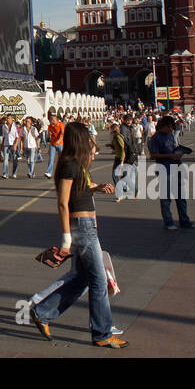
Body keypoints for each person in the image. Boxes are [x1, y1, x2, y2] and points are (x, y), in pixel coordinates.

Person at [29, 122, 127, 348]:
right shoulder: (69, 165)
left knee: (84, 278)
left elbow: (78, 191)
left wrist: (96, 187)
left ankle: (42, 312)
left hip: (87, 224)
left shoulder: (77, 165)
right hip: (81, 226)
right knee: (99, 281)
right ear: (78, 140)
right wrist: (66, 238)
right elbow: (63, 202)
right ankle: (102, 333)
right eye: (87, 137)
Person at [148, 115, 191, 230]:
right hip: (164, 169)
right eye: (171, 127)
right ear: (165, 126)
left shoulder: (170, 135)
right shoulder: (156, 138)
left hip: (175, 167)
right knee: (166, 198)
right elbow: (153, 155)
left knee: (181, 197)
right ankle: (168, 222)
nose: (172, 129)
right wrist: (169, 155)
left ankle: (185, 221)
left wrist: (178, 153)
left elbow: (172, 148)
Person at [45, 112, 65, 178]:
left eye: (53, 120)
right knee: (51, 158)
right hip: (53, 144)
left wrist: (59, 140)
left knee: (61, 158)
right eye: (50, 120)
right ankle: (49, 172)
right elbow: (49, 135)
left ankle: (63, 171)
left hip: (60, 144)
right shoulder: (49, 126)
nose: (51, 121)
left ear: (56, 120)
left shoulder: (60, 124)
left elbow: (62, 133)